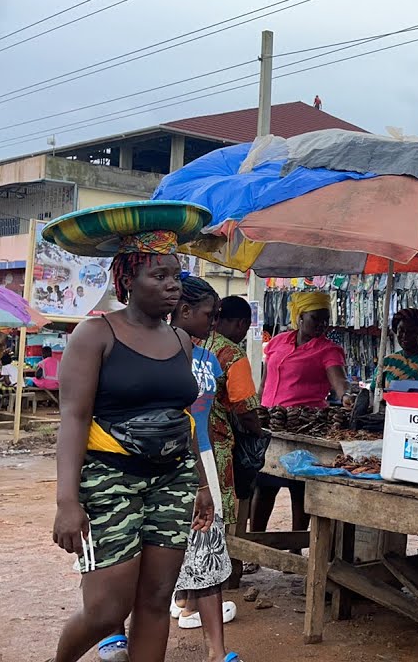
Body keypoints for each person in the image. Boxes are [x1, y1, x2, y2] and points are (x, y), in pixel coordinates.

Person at [49, 228, 214, 662]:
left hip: (172, 479)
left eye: (175, 276)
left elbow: (184, 416)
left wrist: (199, 483)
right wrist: (67, 500)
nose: (172, 285)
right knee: (107, 610)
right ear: (127, 280)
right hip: (110, 478)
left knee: (157, 599)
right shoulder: (95, 334)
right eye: (158, 276)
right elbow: (74, 418)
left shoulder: (181, 339)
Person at [167, 276, 246, 662]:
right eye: (209, 314)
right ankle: (179, 605)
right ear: (183, 312)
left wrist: (207, 471)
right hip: (165, 461)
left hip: (203, 457)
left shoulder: (209, 359)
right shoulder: (154, 353)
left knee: (208, 547)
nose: (214, 323)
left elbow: (203, 416)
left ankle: (217, 651)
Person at [252, 291, 348, 539]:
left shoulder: (329, 349)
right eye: (316, 319)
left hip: (302, 426)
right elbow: (265, 382)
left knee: (299, 488)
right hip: (270, 424)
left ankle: (295, 544)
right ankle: (256, 544)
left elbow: (339, 381)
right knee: (263, 487)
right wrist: (256, 406)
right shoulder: (277, 342)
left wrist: (347, 396)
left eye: (325, 320)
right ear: (300, 317)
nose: (322, 325)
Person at [205, 297, 264, 543]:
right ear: (241, 324)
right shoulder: (232, 354)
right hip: (216, 444)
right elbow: (246, 410)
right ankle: (224, 570)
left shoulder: (190, 340)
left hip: (183, 440)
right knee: (217, 513)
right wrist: (259, 434)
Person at [376, 308, 418, 389]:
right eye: (401, 331)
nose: (405, 336)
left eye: (411, 331)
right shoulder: (387, 362)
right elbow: (374, 391)